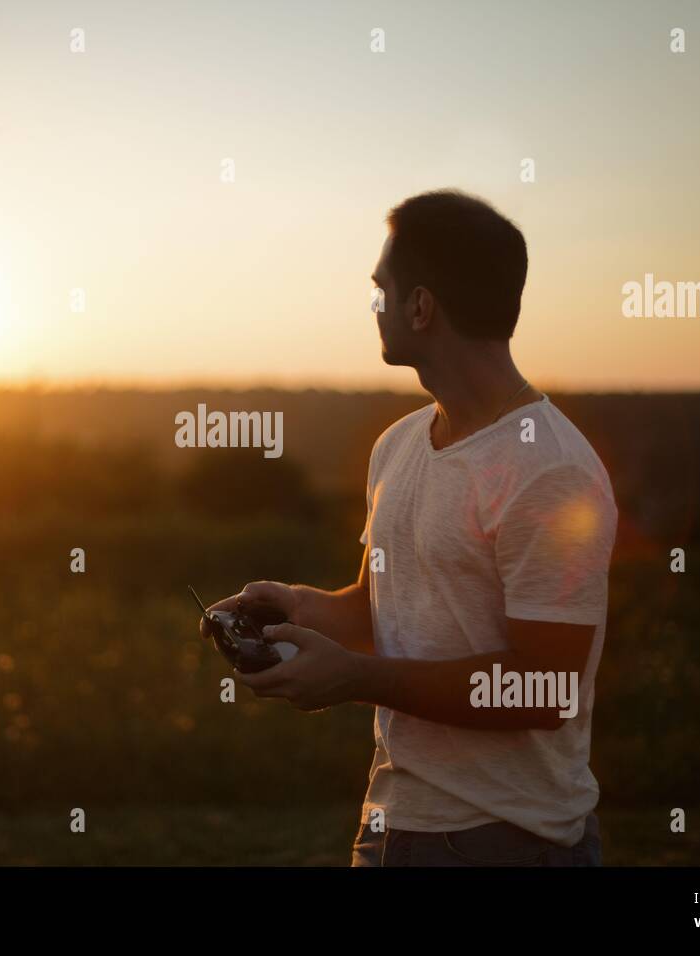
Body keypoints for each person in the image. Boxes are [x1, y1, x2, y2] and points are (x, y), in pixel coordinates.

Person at [201, 190, 617, 866]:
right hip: (393, 826)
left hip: (507, 841)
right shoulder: (398, 446)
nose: (374, 309)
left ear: (421, 306)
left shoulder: (550, 470)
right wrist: (294, 606)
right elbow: (378, 609)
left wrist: (358, 680)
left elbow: (545, 688)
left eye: (379, 293)